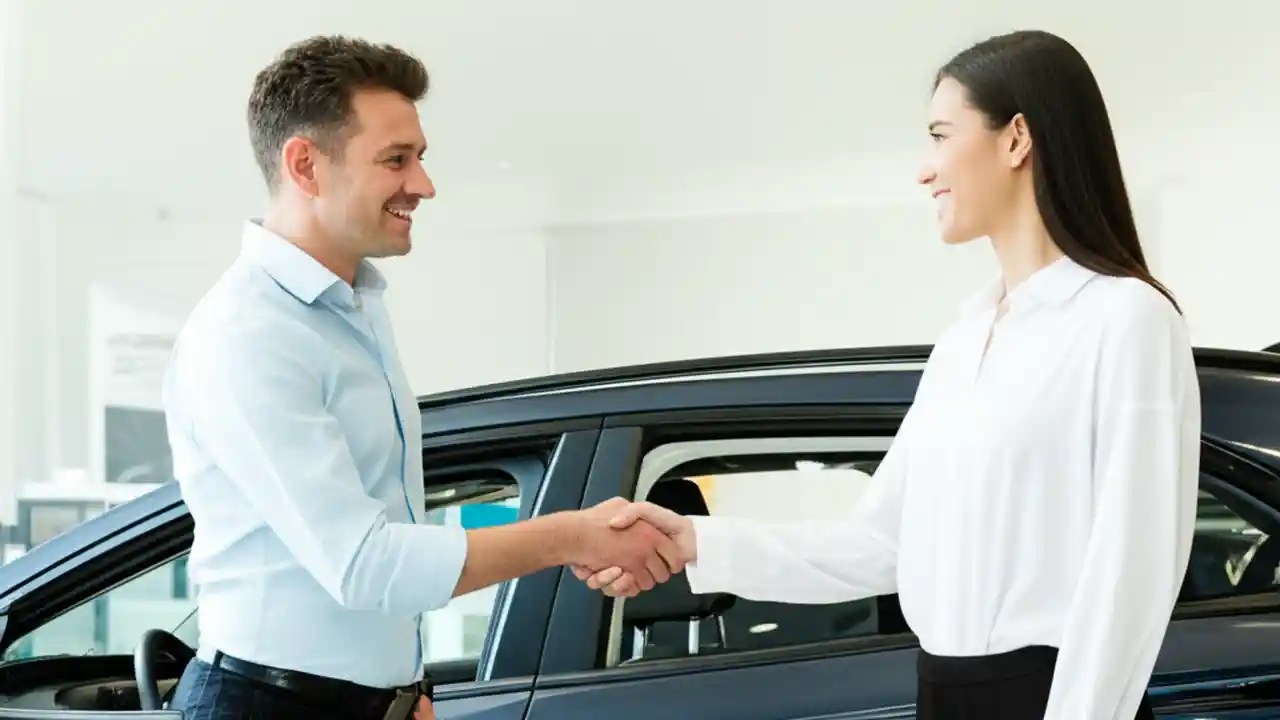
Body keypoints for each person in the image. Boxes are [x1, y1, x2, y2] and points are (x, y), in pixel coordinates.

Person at [576, 30, 1199, 720]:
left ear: (1017, 138)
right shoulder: (966, 338)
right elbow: (877, 544)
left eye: (940, 134)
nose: (925, 169)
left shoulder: (1126, 320)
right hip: (945, 694)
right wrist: (692, 541)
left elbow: (1130, 579)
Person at [163, 35, 683, 720]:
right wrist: (571, 535)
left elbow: (380, 539)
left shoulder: (352, 310)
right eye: (395, 160)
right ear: (305, 164)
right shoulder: (250, 335)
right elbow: (366, 565)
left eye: (421, 157)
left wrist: (398, 691)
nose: (424, 184)